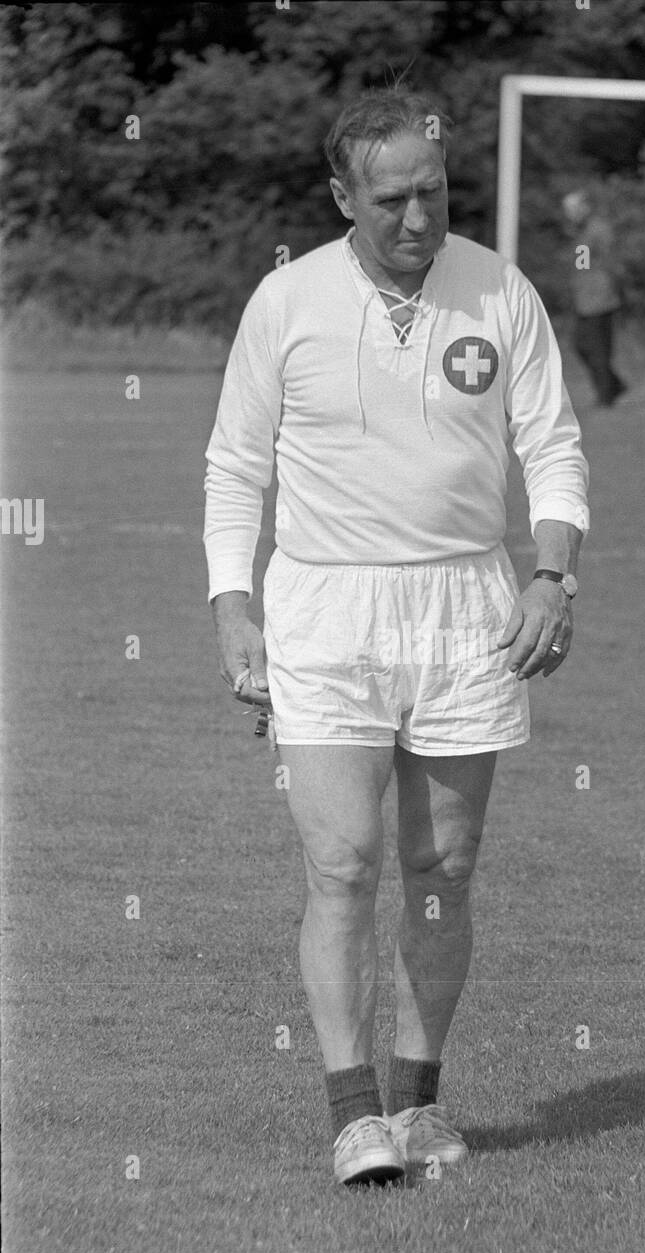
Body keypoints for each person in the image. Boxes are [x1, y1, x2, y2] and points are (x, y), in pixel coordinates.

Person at [203, 86, 590, 1185]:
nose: (418, 216)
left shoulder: (500, 290)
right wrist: (234, 606)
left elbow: (551, 446)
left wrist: (551, 574)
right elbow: (235, 465)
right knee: (341, 863)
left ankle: (417, 1109)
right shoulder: (284, 301)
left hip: (466, 609)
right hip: (325, 608)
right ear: (340, 197)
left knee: (441, 866)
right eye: (391, 198)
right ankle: (350, 1116)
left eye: (433, 190)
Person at [563, 188, 627, 406]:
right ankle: (614, 385)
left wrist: (613, 290)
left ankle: (606, 395)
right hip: (584, 298)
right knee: (581, 345)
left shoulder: (599, 229)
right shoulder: (580, 232)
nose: (569, 214)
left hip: (599, 298)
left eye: (572, 209)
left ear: (585, 207)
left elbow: (611, 261)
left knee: (597, 348)